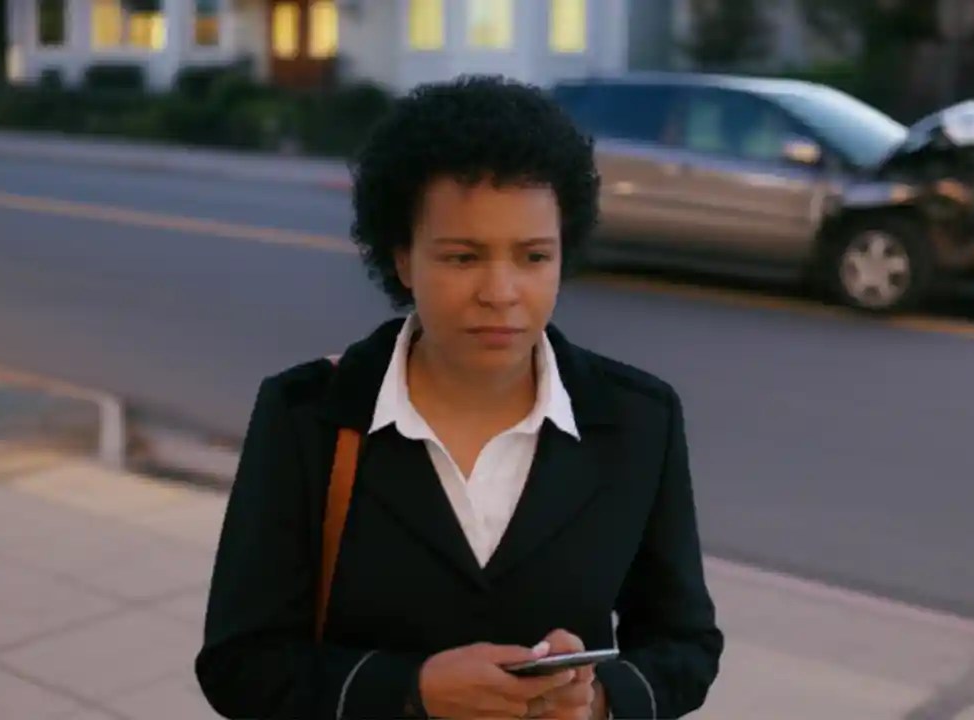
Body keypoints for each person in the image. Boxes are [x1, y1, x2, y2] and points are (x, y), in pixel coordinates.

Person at [195, 74, 723, 719]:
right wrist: (410, 692)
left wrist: (601, 704)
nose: (501, 292)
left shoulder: (639, 419)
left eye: (532, 257)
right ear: (404, 260)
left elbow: (685, 643)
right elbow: (238, 662)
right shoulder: (307, 414)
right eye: (463, 257)